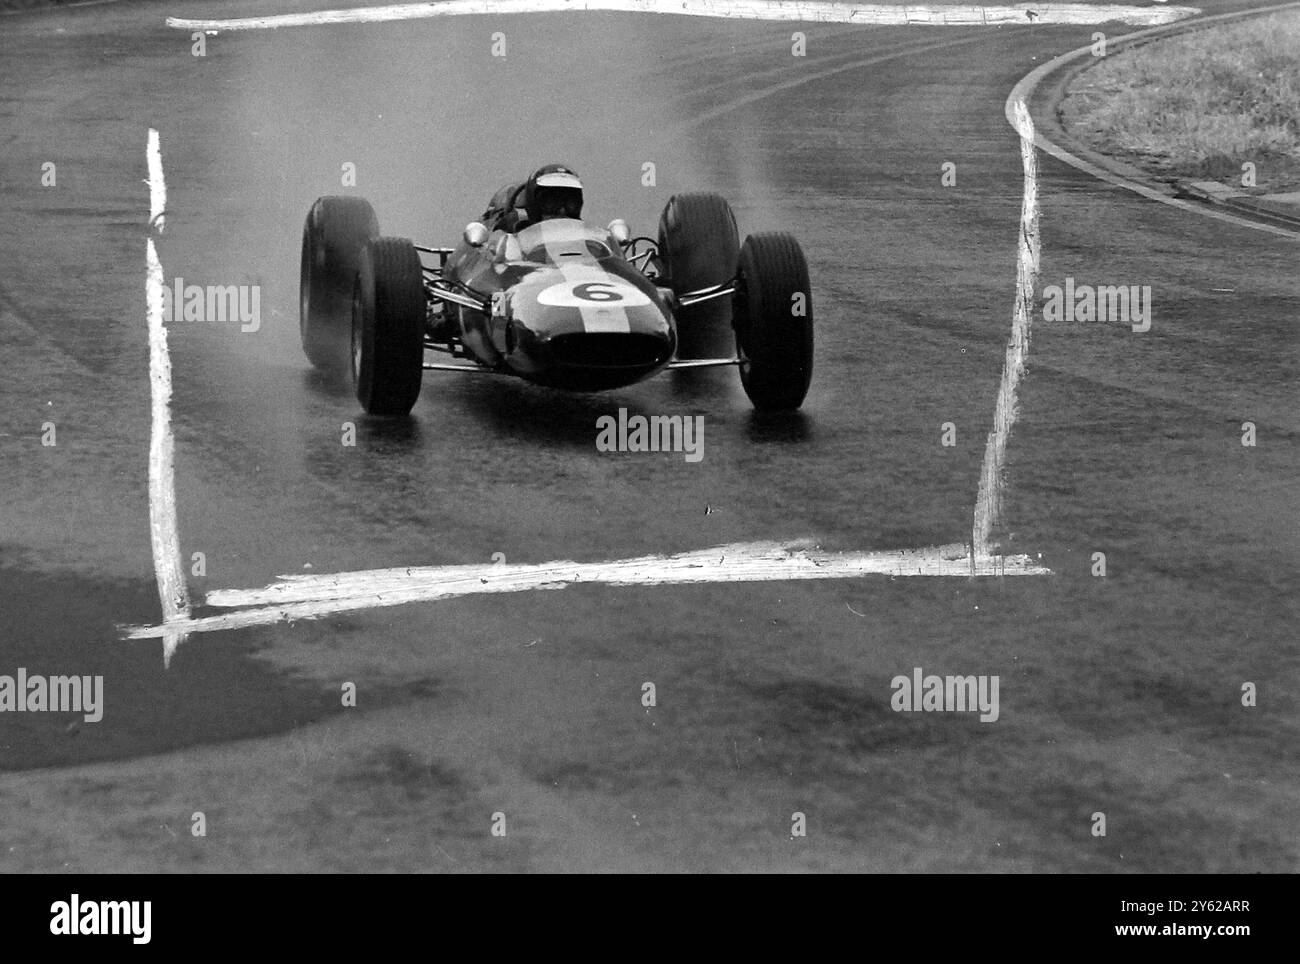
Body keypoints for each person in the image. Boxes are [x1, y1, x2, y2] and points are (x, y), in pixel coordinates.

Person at [481, 164, 583, 233]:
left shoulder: (586, 237)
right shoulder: (511, 228)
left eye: (571, 203)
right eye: (551, 202)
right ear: (534, 204)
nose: (562, 211)